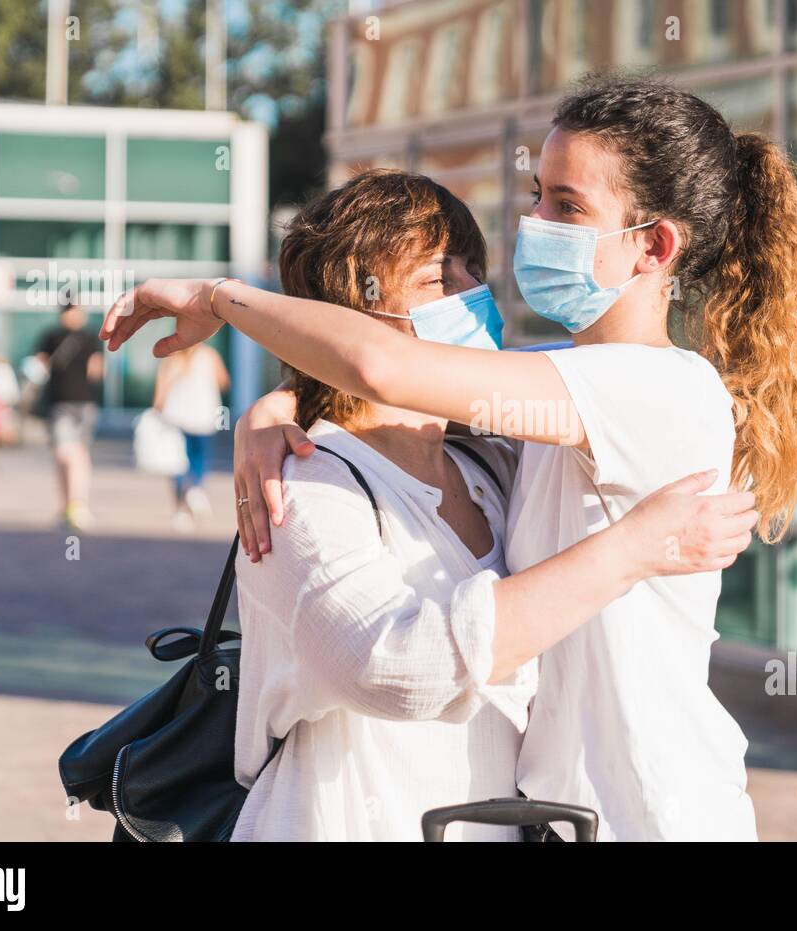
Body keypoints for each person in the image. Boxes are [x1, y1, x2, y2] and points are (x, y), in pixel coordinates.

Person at [102, 75, 797, 841]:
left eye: (567, 205)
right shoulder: (560, 396)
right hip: (567, 816)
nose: (532, 222)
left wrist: (220, 297)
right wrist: (276, 411)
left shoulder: (657, 388)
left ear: (654, 246)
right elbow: (400, 402)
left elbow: (388, 369)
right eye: (537, 194)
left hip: (656, 815)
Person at [224, 171, 755, 840]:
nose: (468, 295)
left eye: (471, 271)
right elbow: (394, 668)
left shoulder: (494, 468)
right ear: (347, 318)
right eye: (434, 279)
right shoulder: (299, 486)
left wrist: (275, 406)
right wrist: (629, 550)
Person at [36, 304, 103, 529]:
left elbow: (39, 366)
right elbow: (96, 372)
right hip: (80, 401)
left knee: (68, 454)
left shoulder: (50, 336)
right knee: (74, 454)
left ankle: (74, 505)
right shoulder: (89, 338)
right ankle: (73, 506)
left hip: (63, 401)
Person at [153, 342, 229, 526]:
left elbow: (161, 390)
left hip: (176, 416)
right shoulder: (209, 355)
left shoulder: (172, 356)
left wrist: (156, 411)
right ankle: (196, 488)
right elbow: (224, 382)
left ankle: (181, 509)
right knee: (199, 458)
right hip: (204, 415)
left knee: (178, 462)